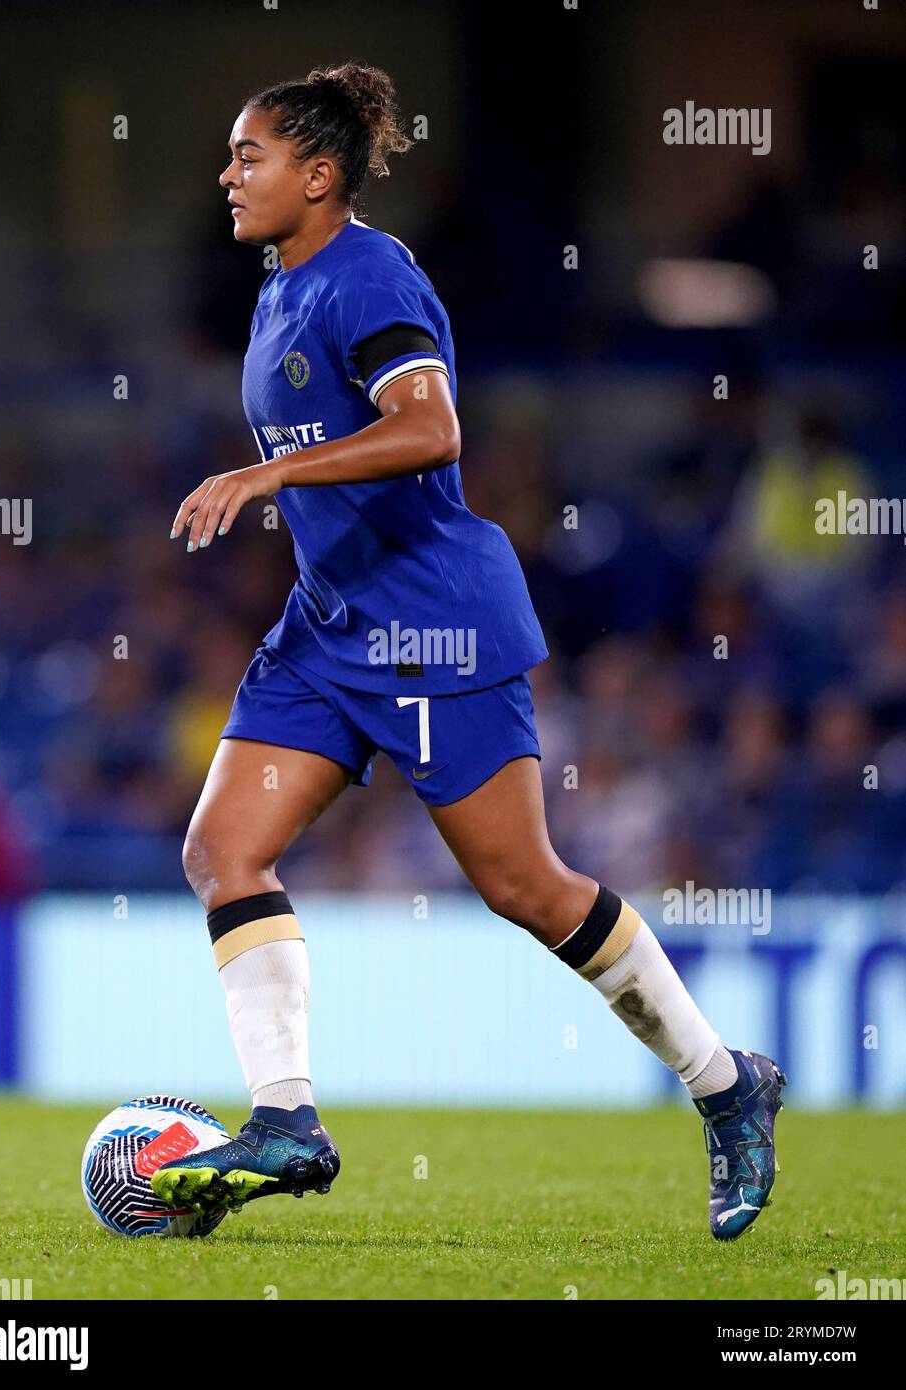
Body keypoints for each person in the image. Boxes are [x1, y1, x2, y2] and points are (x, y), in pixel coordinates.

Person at [152, 62, 785, 1240]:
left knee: (525, 888)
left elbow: (432, 426)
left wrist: (269, 472)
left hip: (434, 623)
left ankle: (724, 1084)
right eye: (233, 155)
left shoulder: (372, 275)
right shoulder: (275, 294)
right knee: (222, 850)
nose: (229, 175)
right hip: (331, 623)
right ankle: (288, 1119)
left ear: (321, 174)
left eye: (252, 155)